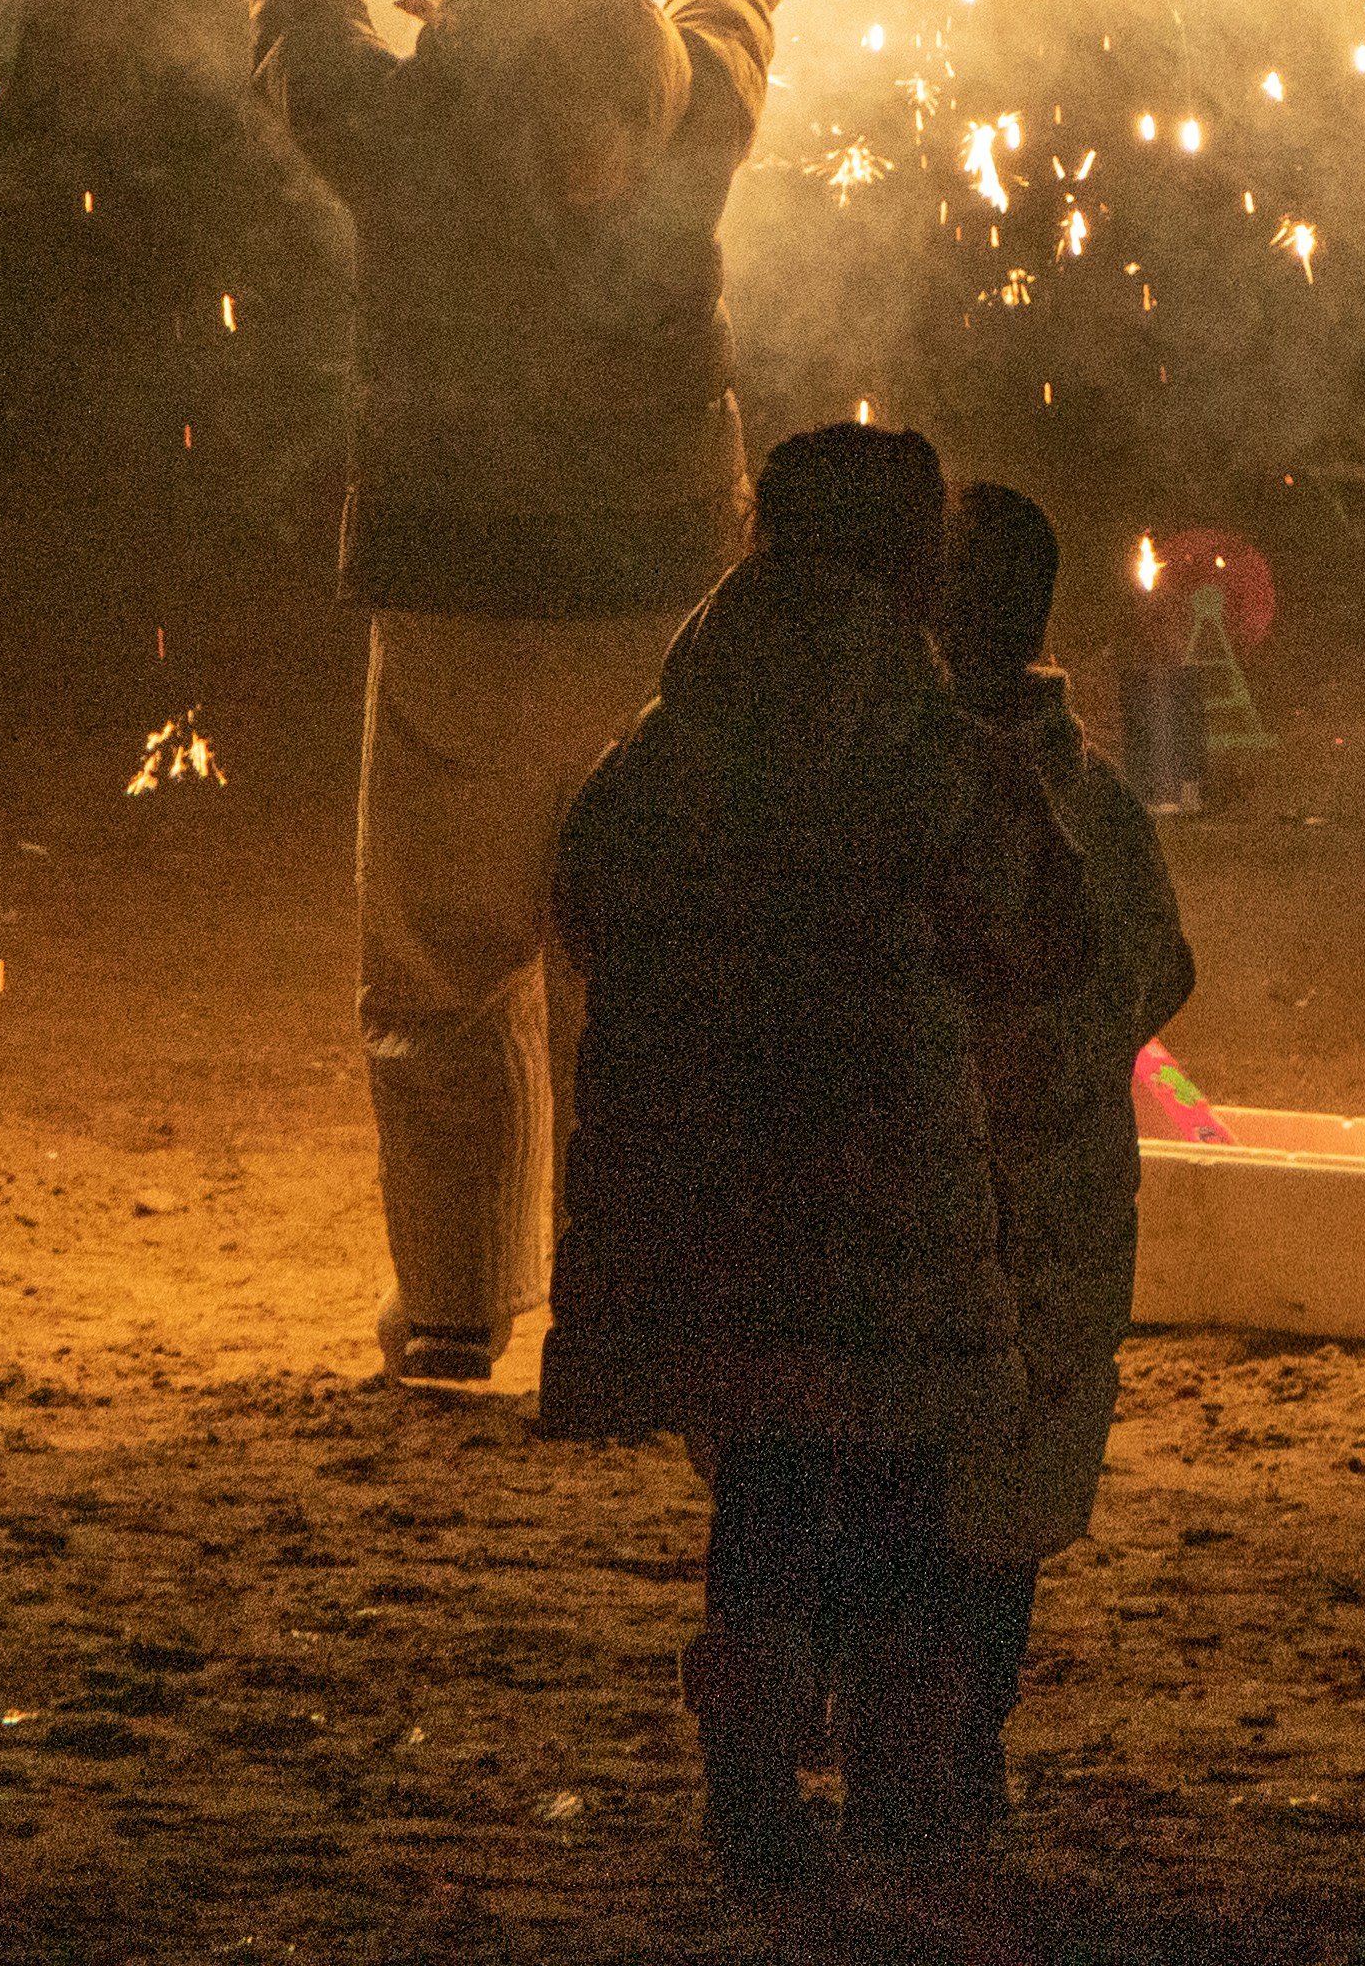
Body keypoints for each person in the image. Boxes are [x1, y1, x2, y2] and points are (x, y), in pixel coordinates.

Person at [251, 0, 790, 1383]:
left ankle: (461, 1312)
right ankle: (642, 1306)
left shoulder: (399, 123)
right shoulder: (688, 100)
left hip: (463, 600)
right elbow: (726, 27)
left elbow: (300, 23)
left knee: (436, 980)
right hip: (664, 597)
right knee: (642, 966)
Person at [545, 423, 1093, 1894]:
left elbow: (584, 898)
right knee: (905, 1508)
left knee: (767, 1500)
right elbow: (1050, 939)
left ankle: (751, 1791)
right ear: (909, 562)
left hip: (708, 1206)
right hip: (882, 1210)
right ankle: (906, 1792)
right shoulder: (923, 752)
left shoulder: (670, 742)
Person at [927, 480, 1200, 1852]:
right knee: (1002, 1509)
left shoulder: (885, 796)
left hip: (914, 1214)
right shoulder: (1088, 799)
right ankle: (962, 1751)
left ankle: (873, 1745)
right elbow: (1159, 971)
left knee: (879, 1484)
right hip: (1059, 1225)